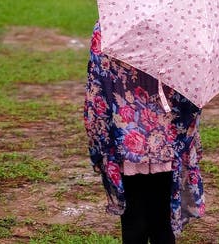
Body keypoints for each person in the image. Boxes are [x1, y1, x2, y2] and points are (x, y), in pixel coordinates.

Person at [84, 21, 205, 243]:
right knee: (162, 223)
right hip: (167, 142)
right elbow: (192, 91)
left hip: (125, 143)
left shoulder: (109, 26)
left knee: (133, 224)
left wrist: (98, 142)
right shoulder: (179, 26)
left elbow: (96, 95)